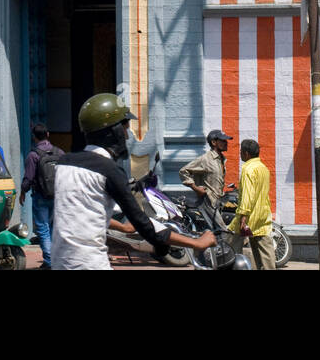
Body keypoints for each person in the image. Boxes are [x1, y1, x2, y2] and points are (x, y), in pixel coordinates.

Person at [51, 93, 215, 270]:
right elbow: (143, 223)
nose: (127, 137)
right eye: (125, 129)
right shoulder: (109, 170)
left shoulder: (63, 164)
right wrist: (196, 242)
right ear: (113, 132)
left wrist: (122, 228)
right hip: (89, 264)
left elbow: (79, 212)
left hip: (59, 262)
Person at [20, 123, 63, 269]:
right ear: (48, 134)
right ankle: (55, 258)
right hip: (57, 196)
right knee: (53, 227)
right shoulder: (60, 153)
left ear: (34, 137)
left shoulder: (33, 155)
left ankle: (49, 261)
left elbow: (28, 178)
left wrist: (22, 192)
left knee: (43, 229)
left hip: (40, 197)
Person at [230, 139, 275, 270]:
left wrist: (243, 215)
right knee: (264, 249)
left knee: (233, 246)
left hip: (249, 215)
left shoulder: (248, 169)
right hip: (263, 214)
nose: (240, 155)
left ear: (246, 153)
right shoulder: (263, 168)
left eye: (240, 152)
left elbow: (248, 194)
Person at [180, 129, 232, 224]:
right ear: (214, 142)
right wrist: (196, 188)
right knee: (222, 232)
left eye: (226, 140)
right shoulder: (206, 159)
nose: (226, 143)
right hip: (208, 202)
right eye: (223, 140)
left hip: (218, 202)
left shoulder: (221, 159)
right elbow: (183, 171)